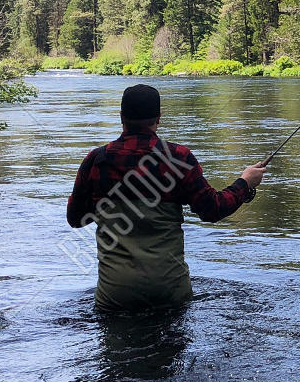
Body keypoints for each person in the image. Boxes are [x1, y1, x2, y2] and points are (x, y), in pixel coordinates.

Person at [66, 83, 267, 311]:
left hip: (115, 297)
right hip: (170, 292)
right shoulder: (179, 158)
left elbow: (75, 219)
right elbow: (213, 209)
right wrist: (245, 182)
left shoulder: (96, 160)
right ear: (158, 118)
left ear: (122, 117)